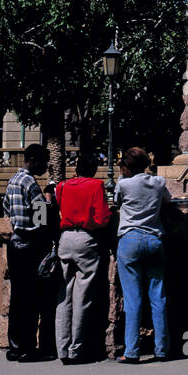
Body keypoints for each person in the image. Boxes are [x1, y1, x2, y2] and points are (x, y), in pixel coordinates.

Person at [114, 146, 172, 363]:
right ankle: (162, 349)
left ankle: (132, 351)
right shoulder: (158, 182)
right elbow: (168, 200)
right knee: (158, 297)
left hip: (130, 239)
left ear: (127, 167)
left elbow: (117, 201)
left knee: (133, 299)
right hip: (155, 240)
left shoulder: (125, 184)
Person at [54, 152, 112, 364]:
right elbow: (102, 217)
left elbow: (56, 209)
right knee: (82, 297)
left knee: (64, 296)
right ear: (94, 169)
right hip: (86, 239)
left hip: (65, 239)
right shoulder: (96, 186)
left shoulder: (62, 186)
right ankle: (76, 349)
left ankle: (62, 348)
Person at [2, 144, 54, 362]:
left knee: (17, 297)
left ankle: (14, 346)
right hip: (30, 244)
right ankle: (27, 348)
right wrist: (49, 199)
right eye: (43, 162)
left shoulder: (13, 180)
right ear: (33, 160)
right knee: (31, 298)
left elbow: (6, 207)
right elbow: (41, 214)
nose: (45, 167)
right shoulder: (30, 182)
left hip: (15, 243)